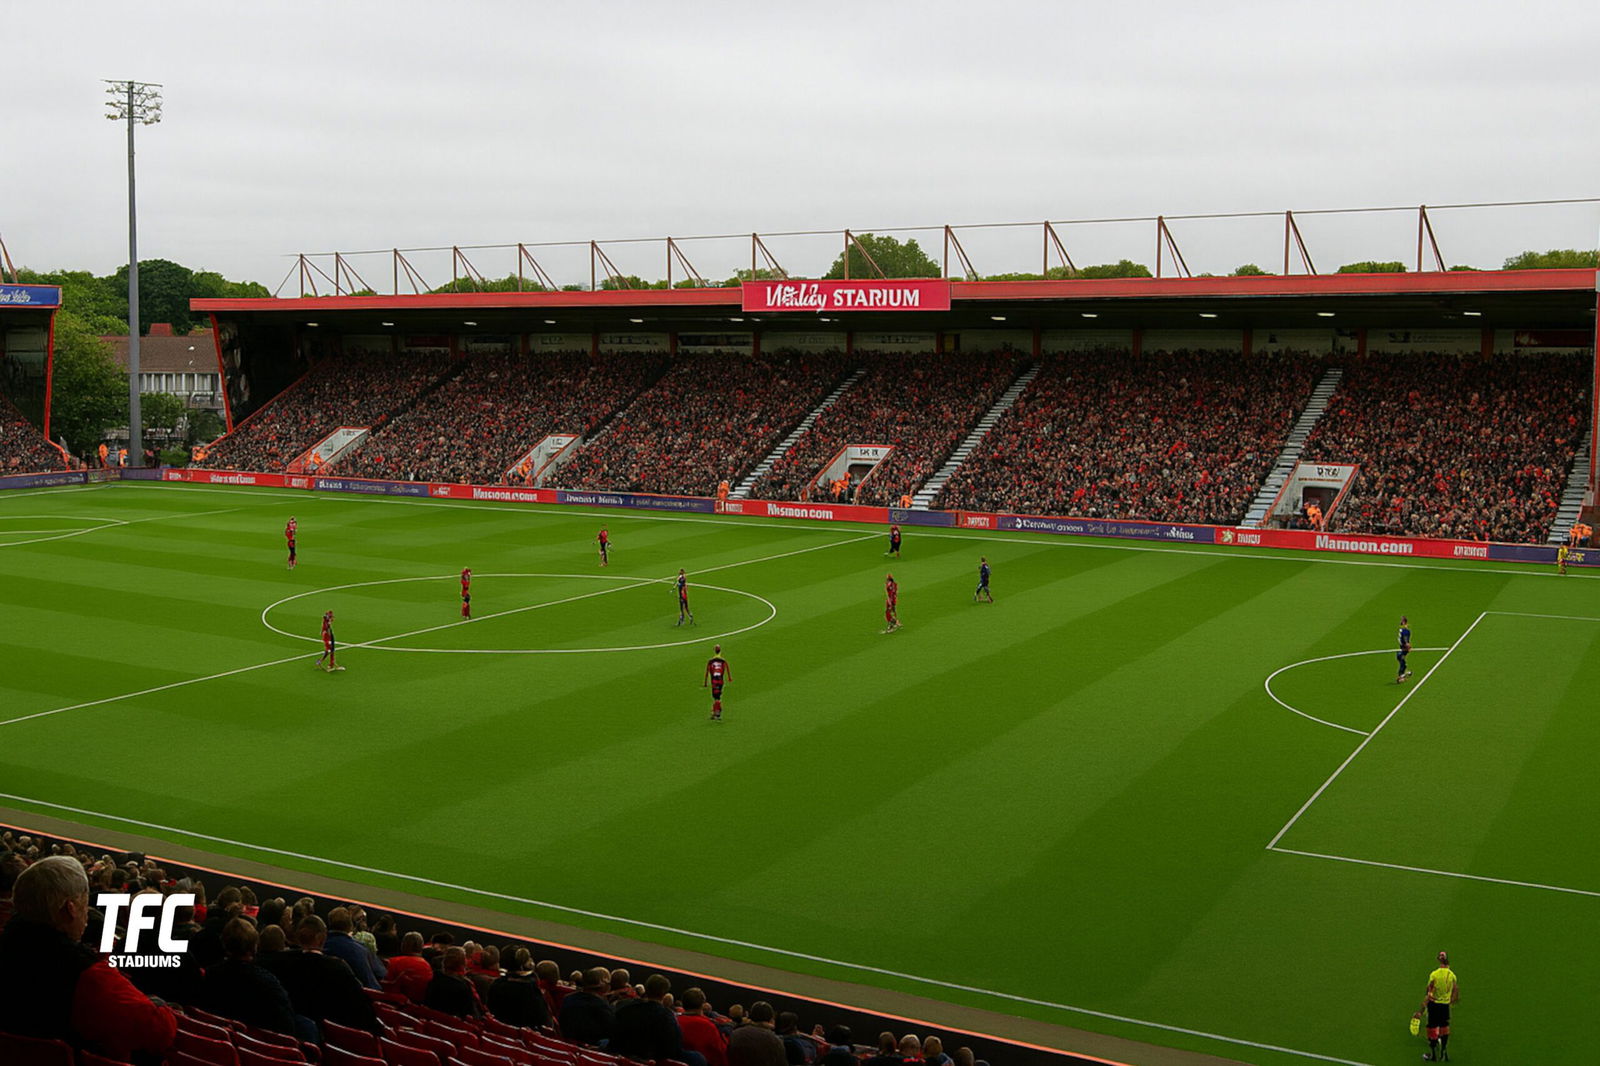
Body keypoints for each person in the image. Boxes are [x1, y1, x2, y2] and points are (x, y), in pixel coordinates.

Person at [0, 855, 177, 1061]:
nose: (87, 912)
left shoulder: (8, 941)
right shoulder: (87, 974)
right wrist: (161, 1005)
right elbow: (158, 1032)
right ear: (71, 908)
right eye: (85, 903)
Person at [611, 973, 685, 1062]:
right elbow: (673, 1048)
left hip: (620, 1055)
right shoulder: (667, 1017)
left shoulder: (625, 1006)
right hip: (646, 1060)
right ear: (664, 994)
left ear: (646, 989)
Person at [1413, 950, 1460, 1061]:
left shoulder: (1434, 975)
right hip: (1445, 1006)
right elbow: (1456, 990)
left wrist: (1421, 1010)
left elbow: (1428, 992)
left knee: (1432, 1029)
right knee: (1444, 1027)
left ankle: (1433, 1055)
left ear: (1438, 960)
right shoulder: (1452, 975)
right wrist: (1451, 1000)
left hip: (1434, 1005)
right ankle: (1444, 1051)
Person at [704, 644, 730, 722]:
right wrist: (729, 678)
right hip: (720, 681)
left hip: (714, 681)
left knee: (716, 698)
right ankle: (714, 712)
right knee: (717, 697)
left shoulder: (711, 661)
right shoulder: (723, 661)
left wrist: (705, 683)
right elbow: (726, 670)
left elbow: (707, 672)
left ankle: (717, 713)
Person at [1396, 615, 1412, 683]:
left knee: (1403, 663)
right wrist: (1407, 645)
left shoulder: (1402, 630)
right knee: (1402, 663)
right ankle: (1400, 677)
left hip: (1402, 648)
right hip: (1403, 649)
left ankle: (1402, 675)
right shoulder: (1406, 631)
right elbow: (1405, 639)